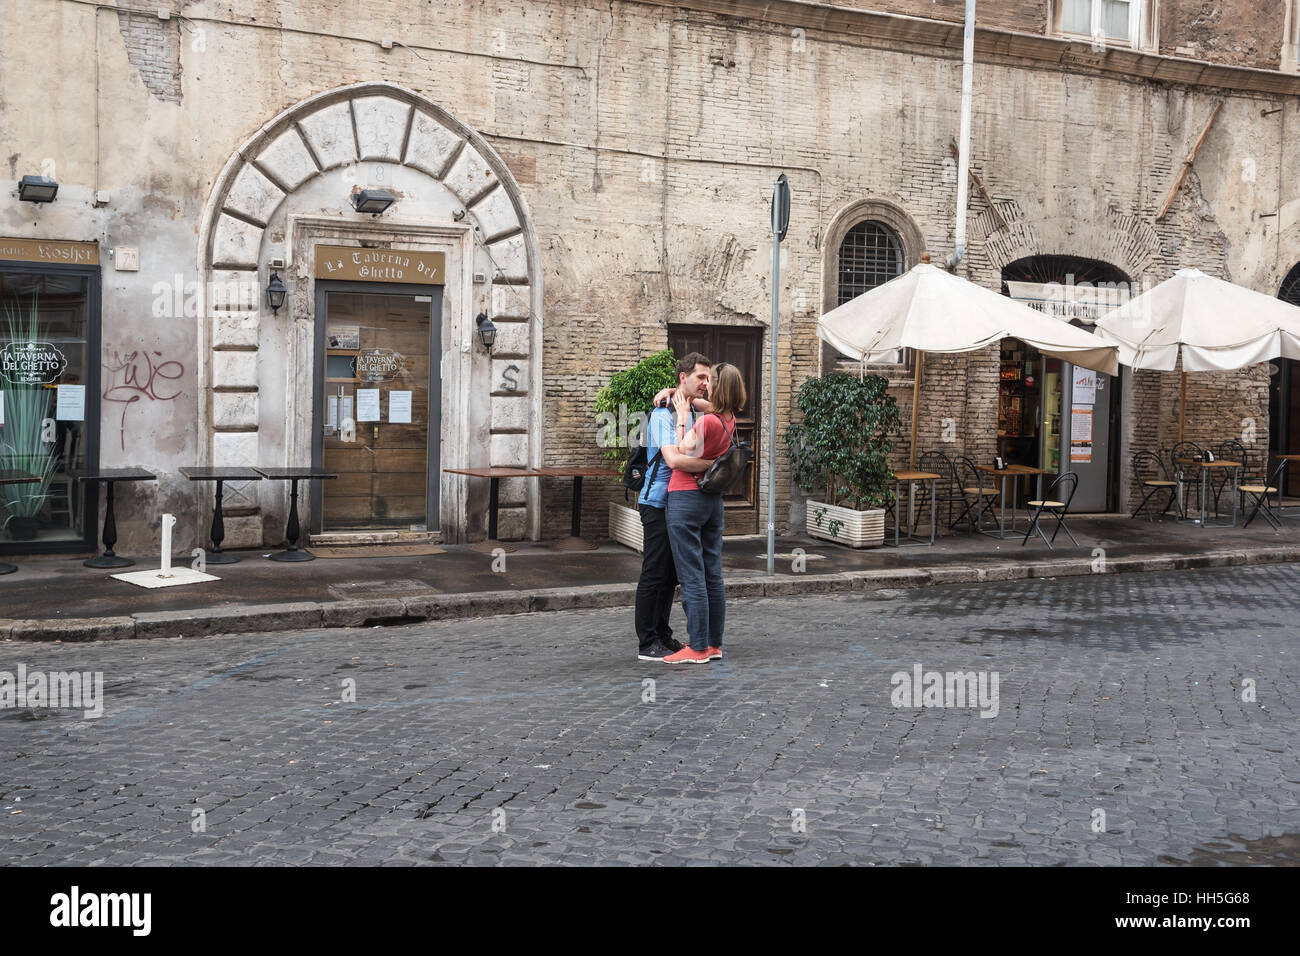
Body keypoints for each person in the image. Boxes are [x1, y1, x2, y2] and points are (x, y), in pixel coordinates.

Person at [660, 362, 746, 664]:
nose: (706, 383)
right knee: (712, 575)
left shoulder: (707, 422)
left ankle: (696, 648)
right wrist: (675, 391)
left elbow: (682, 451)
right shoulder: (728, 418)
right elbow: (699, 400)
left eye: (711, 380)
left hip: (687, 498)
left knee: (692, 575)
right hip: (712, 501)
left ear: (719, 386)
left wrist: (682, 418)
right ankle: (713, 644)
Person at [633, 353, 714, 661]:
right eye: (700, 378)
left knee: (669, 575)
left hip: (677, 503)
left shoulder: (687, 408)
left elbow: (722, 408)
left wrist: (673, 391)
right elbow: (672, 459)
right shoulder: (663, 415)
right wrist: (707, 464)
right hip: (656, 503)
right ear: (684, 377)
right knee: (654, 573)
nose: (706, 383)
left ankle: (663, 635)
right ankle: (647, 641)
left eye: (708, 378)